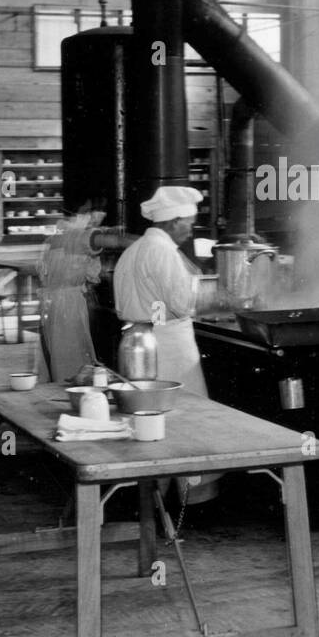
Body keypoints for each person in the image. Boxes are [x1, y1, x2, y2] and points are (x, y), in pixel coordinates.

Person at [113, 185, 219, 504]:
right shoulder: (162, 252)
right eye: (188, 222)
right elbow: (178, 304)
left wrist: (159, 311)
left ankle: (153, 500)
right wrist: (220, 297)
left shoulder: (135, 250)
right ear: (173, 222)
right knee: (186, 421)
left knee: (148, 421)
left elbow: (148, 305)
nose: (190, 228)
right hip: (168, 344)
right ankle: (191, 502)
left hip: (138, 339)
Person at [37, 209, 104, 385]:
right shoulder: (79, 239)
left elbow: (43, 273)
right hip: (71, 302)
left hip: (52, 302)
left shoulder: (51, 241)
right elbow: (92, 274)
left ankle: (61, 381)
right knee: (74, 348)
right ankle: (73, 384)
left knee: (57, 348)